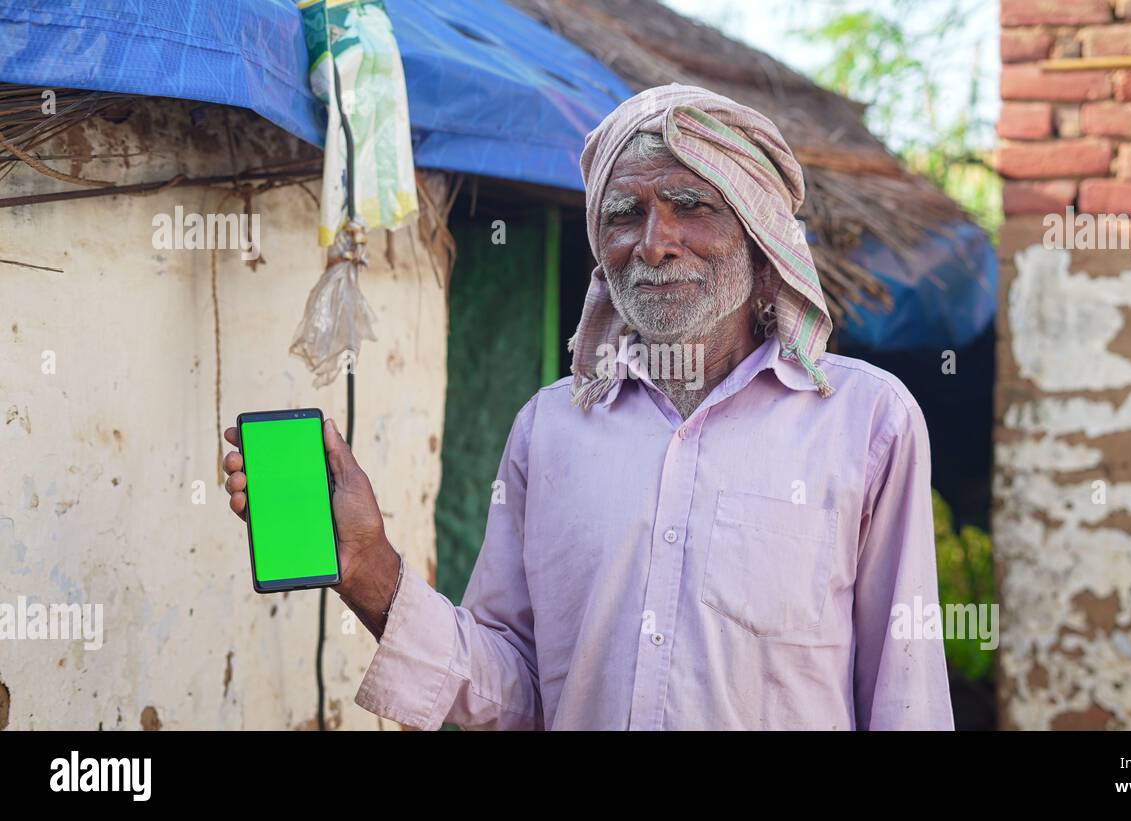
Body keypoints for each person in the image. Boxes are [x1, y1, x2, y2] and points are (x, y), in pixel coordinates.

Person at [223, 84, 953, 730]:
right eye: (625, 212)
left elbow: (905, 695)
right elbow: (513, 687)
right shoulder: (551, 428)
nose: (654, 243)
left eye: (690, 205)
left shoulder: (867, 422)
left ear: (761, 240)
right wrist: (367, 566)